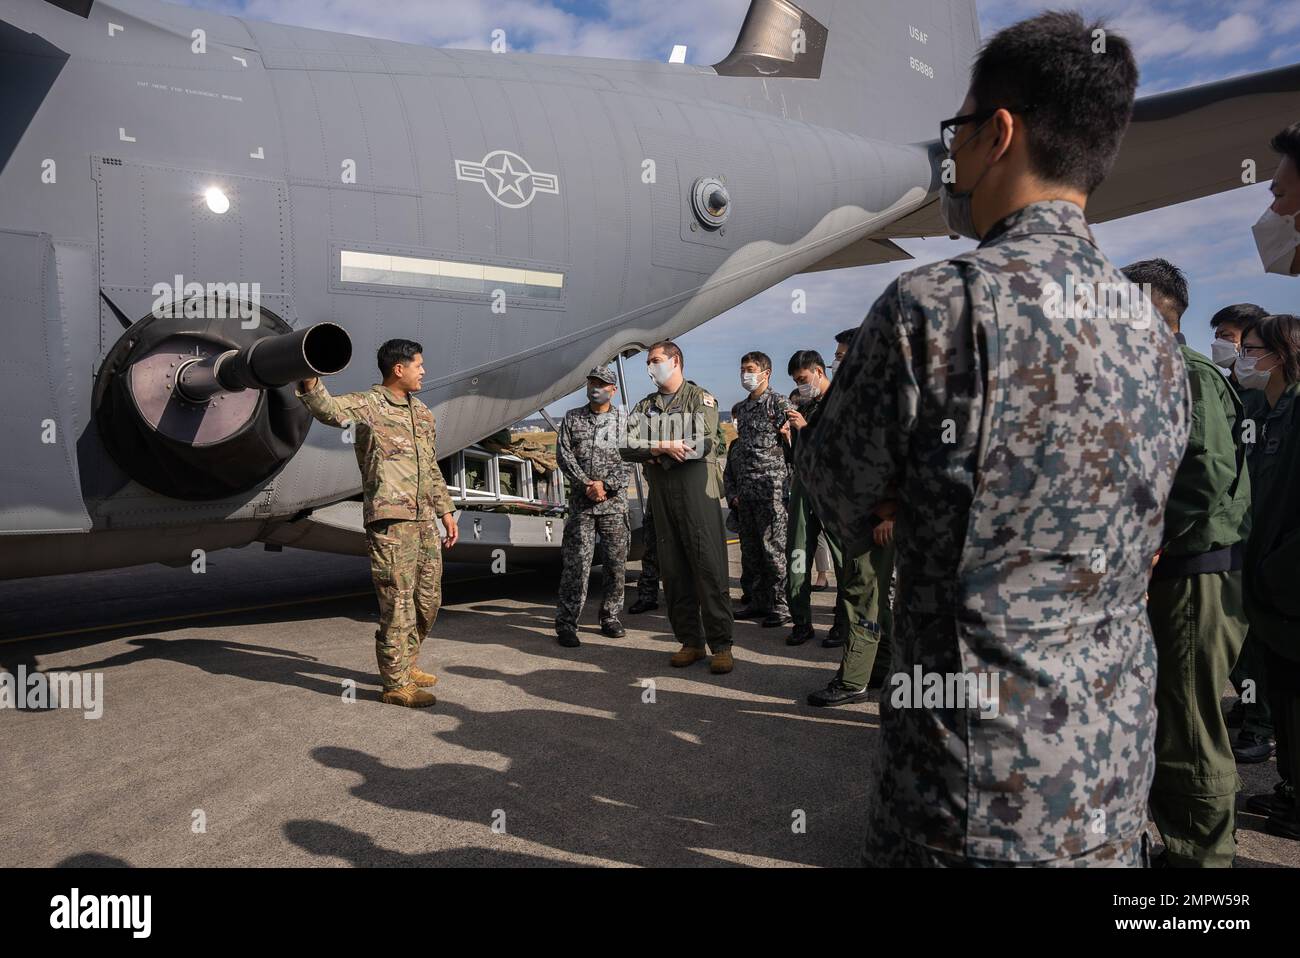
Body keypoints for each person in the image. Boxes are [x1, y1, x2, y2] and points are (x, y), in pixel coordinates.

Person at [799, 12, 1188, 866]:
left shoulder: (934, 308)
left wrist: (914, 497)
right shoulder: (1155, 336)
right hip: (1110, 781)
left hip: (969, 795)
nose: (953, 158)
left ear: (998, 133)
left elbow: (836, 489)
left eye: (959, 131)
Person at [1121, 259, 1251, 867]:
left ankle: (1197, 868)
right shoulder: (1155, 372)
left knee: (1191, 725)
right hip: (1180, 567)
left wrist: (1150, 542)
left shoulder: (1185, 373)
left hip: (1195, 570)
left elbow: (1204, 473)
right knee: (1173, 713)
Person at [297, 339, 459, 708]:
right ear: (398, 369)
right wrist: (307, 375)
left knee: (428, 601)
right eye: (418, 364)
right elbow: (329, 410)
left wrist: (446, 512)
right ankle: (395, 683)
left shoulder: (421, 413)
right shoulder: (369, 405)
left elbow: (431, 468)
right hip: (391, 522)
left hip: (424, 520)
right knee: (397, 603)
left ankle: (408, 662)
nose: (424, 371)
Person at [620, 341, 735, 673]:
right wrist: (662, 446)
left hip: (696, 493)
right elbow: (626, 445)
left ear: (675, 361)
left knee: (709, 567)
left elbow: (702, 441)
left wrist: (656, 451)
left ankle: (722, 645)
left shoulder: (700, 399)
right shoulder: (646, 406)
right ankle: (691, 641)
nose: (651, 367)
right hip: (663, 497)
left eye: (656, 360)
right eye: (649, 362)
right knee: (674, 572)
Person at [1238, 314, 1300, 839]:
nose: (1244, 355)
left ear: (1280, 355)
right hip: (1264, 583)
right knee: (1282, 695)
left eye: (1253, 348)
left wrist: (1278, 572)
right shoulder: (1262, 409)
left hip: (1289, 582)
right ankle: (1290, 786)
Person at [553, 365, 632, 648]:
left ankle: (610, 617)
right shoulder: (573, 418)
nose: (594, 387)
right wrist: (588, 483)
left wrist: (606, 485)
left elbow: (631, 458)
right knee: (577, 565)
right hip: (582, 505)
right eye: (591, 383)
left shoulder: (624, 419)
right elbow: (564, 455)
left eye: (601, 383)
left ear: (613, 389)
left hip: (613, 505)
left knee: (615, 564)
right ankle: (566, 623)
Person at [725, 352, 793, 628]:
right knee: (750, 551)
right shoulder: (741, 408)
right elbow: (740, 451)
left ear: (766, 372)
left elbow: (791, 445)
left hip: (771, 490)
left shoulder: (778, 404)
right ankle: (756, 600)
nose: (745, 374)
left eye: (750, 369)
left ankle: (780, 605)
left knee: (773, 550)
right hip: (746, 493)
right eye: (742, 369)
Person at [628, 494, 660, 614]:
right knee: (651, 548)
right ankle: (647, 597)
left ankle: (687, 597)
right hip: (658, 491)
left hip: (684, 493)